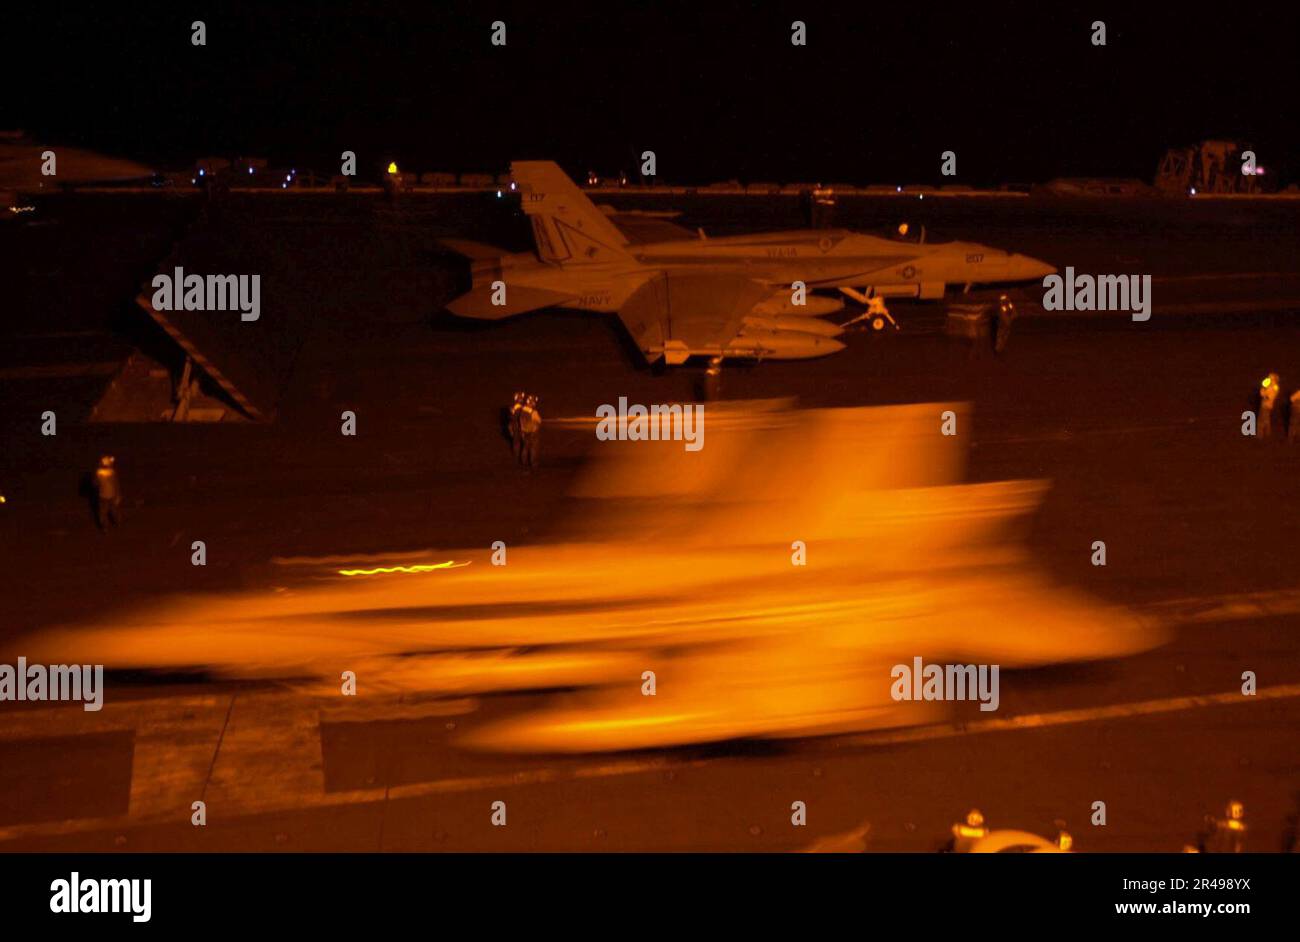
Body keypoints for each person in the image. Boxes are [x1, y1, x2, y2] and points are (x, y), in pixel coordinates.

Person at [94, 455, 122, 529]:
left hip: (103, 495)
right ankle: (118, 524)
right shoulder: (112, 472)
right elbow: (116, 484)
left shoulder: (99, 473)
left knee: (103, 512)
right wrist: (118, 495)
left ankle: (105, 527)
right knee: (114, 510)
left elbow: (96, 483)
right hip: (112, 495)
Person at [518, 394, 541, 470]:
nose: (534, 403)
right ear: (531, 403)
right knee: (533, 448)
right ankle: (533, 464)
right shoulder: (533, 412)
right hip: (533, 432)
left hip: (524, 432)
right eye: (534, 402)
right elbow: (539, 421)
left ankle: (523, 463)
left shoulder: (522, 410)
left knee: (525, 448)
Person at [1259, 373, 1280, 439]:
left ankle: (1261, 435)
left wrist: (1264, 390)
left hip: (1266, 404)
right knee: (1266, 419)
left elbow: (1265, 395)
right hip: (1267, 404)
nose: (1269, 379)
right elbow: (1262, 394)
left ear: (1274, 379)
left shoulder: (1274, 387)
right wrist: (1264, 389)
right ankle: (1267, 435)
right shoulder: (1271, 386)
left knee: (1262, 420)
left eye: (1270, 378)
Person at [507, 391, 526, 460]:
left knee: (516, 442)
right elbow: (516, 418)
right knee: (521, 442)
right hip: (520, 427)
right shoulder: (520, 408)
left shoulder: (514, 408)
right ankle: (519, 457)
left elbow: (510, 418)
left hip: (515, 427)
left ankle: (517, 456)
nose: (522, 399)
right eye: (520, 398)